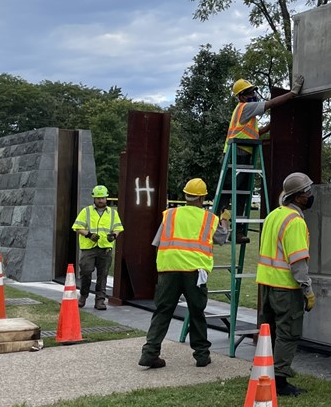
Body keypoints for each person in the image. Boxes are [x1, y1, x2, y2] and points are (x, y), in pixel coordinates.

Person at [138, 178, 229, 369]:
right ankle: (202, 355)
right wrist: (226, 221)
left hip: (168, 270)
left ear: (185, 195)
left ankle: (150, 353)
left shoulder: (170, 215)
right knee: (197, 312)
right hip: (195, 272)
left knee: (162, 312)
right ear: (202, 198)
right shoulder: (209, 218)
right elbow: (221, 238)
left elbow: (157, 243)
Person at [219, 75, 304, 243]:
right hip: (235, 154)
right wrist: (292, 94)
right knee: (227, 195)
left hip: (243, 153)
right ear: (241, 96)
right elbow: (270, 104)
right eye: (250, 92)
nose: (253, 95)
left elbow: (253, 134)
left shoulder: (246, 114)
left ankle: (239, 233)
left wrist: (271, 127)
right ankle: (218, 228)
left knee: (242, 197)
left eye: (253, 91)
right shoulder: (245, 107)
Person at [256, 172, 317, 397]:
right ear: (298, 197)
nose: (310, 196)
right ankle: (280, 380)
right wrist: (308, 291)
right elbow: (298, 262)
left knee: (270, 331)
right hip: (286, 288)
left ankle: (266, 372)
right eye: (308, 192)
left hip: (268, 285)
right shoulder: (295, 222)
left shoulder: (274, 215)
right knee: (288, 333)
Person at [71, 184, 124, 310]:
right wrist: (88, 234)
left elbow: (118, 228)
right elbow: (77, 227)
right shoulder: (86, 211)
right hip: (89, 248)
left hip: (105, 248)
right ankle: (83, 296)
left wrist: (114, 236)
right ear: (94, 199)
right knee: (86, 272)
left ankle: (100, 300)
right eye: (98, 198)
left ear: (106, 198)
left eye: (103, 198)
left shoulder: (112, 213)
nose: (101, 200)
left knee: (103, 275)